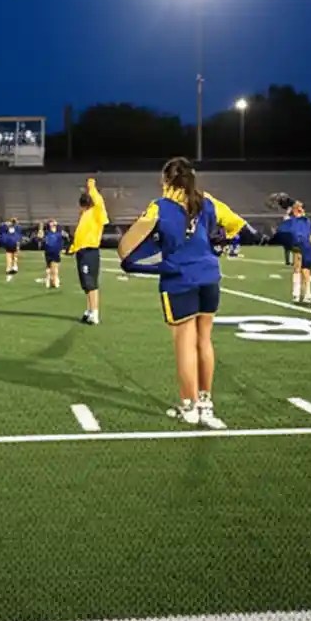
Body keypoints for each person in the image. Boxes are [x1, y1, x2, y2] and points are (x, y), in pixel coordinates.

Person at [118, 157, 249, 428]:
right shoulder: (208, 201)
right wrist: (218, 241)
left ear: (166, 180)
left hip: (179, 278)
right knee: (205, 340)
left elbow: (125, 247)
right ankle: (206, 404)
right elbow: (237, 224)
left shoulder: (160, 206)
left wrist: (148, 251)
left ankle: (188, 406)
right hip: (209, 275)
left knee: (184, 342)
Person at [69, 176, 109, 324]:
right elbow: (80, 236)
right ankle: (89, 309)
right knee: (86, 283)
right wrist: (73, 248)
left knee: (91, 283)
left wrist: (91, 187)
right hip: (82, 251)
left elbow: (98, 201)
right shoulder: (85, 216)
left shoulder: (96, 212)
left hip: (90, 251)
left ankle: (95, 313)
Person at [275, 202, 311, 305]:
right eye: (297, 208)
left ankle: (307, 293)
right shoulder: (292, 221)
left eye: (300, 208)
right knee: (297, 268)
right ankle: (297, 293)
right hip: (297, 246)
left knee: (305, 270)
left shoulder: (307, 221)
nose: (299, 210)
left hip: (306, 246)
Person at [40, 218, 65, 289]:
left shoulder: (59, 232)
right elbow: (40, 238)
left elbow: (64, 238)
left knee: (55, 267)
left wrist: (62, 248)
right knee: (49, 267)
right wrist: (41, 231)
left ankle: (54, 280)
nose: (53, 223)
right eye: (51, 222)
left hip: (56, 251)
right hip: (48, 251)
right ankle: (50, 280)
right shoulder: (47, 233)